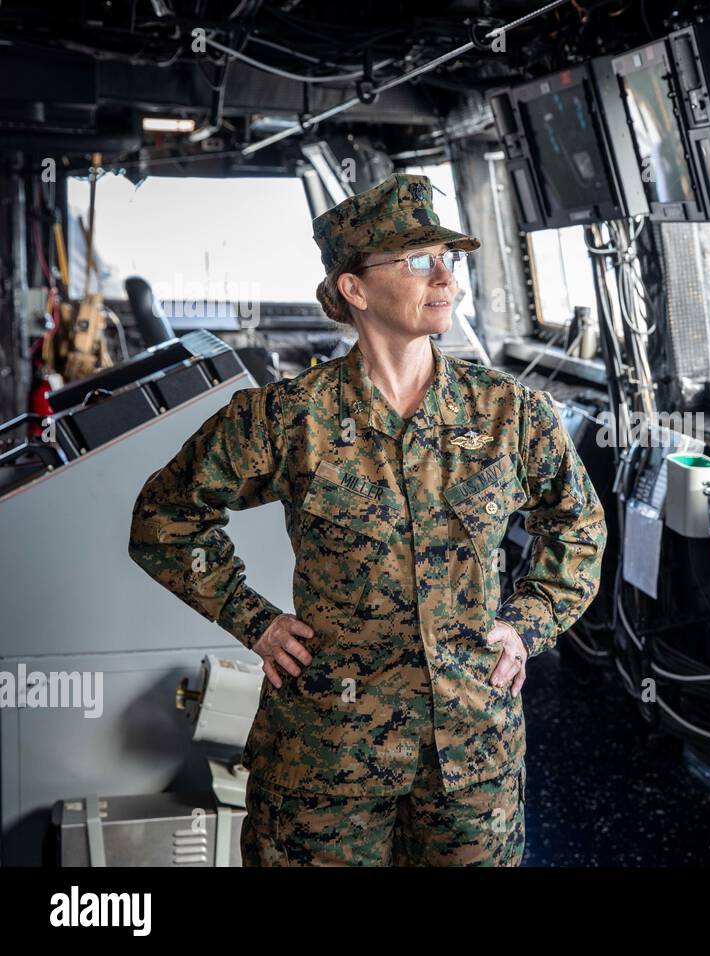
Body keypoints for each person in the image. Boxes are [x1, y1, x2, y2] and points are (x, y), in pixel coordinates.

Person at [129, 173, 607, 865]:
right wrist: (251, 619)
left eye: (450, 258)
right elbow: (165, 516)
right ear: (354, 289)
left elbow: (579, 525)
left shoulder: (512, 413)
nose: (444, 276)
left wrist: (529, 624)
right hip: (328, 756)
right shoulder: (286, 418)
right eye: (417, 260)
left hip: (471, 754)